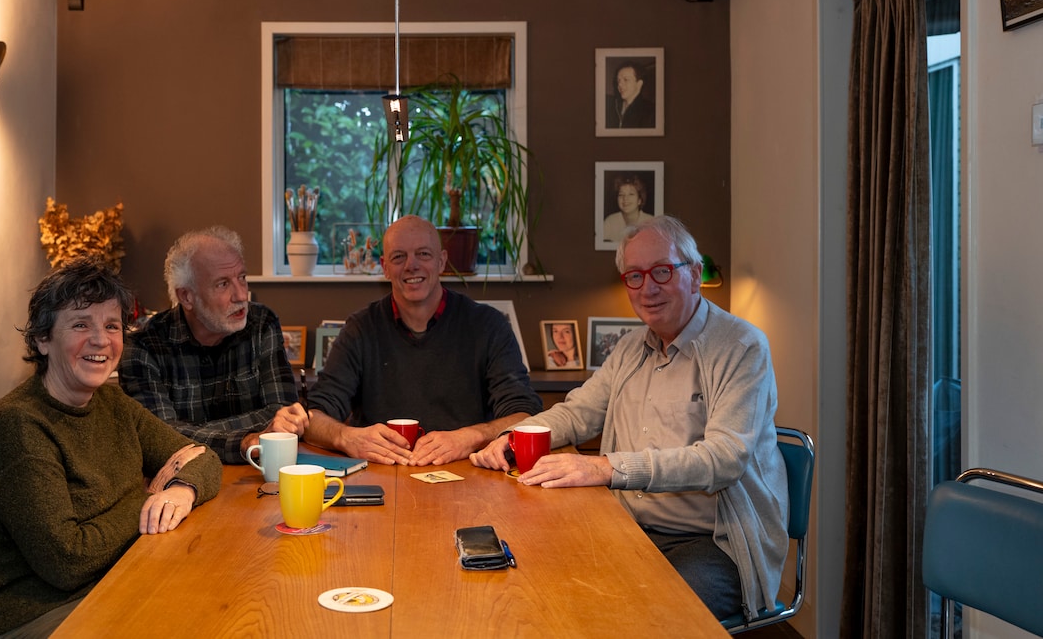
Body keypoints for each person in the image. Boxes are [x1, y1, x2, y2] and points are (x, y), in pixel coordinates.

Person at [470, 215, 788, 623]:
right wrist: (514, 436)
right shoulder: (630, 347)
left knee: (642, 618)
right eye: (634, 276)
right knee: (535, 587)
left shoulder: (742, 346)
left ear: (693, 275)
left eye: (661, 271)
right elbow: (577, 413)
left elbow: (724, 458)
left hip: (713, 542)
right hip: (624, 529)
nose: (648, 288)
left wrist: (605, 467)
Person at [0, 258, 223, 639]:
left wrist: (182, 490)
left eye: (112, 326)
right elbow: (68, 560)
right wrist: (149, 494)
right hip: (39, 616)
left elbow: (203, 457)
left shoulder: (110, 403)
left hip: (119, 575)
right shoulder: (14, 426)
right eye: (81, 324)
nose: (101, 340)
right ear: (43, 339)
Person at [304, 215, 543, 466]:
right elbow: (314, 416)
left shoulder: (488, 326)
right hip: (381, 474)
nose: (411, 265)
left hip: (470, 473)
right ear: (385, 267)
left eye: (423, 254)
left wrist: (472, 437)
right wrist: (345, 436)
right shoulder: (360, 329)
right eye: (399, 257)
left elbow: (526, 414)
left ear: (442, 262)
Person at [119, 226, 309, 464]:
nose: (241, 295)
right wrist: (245, 441)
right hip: (183, 484)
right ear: (186, 297)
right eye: (222, 284)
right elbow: (159, 439)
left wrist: (191, 432)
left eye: (242, 278)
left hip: (255, 478)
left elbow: (283, 412)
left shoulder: (261, 323)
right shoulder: (143, 347)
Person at [602, 174, 653, 244]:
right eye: (621, 195)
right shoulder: (610, 222)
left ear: (639, 200)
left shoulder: (651, 222)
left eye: (631, 194)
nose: (625, 199)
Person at [607, 61, 654, 129]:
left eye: (626, 79)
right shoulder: (611, 106)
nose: (619, 84)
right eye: (618, 81)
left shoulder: (651, 112)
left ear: (639, 84)